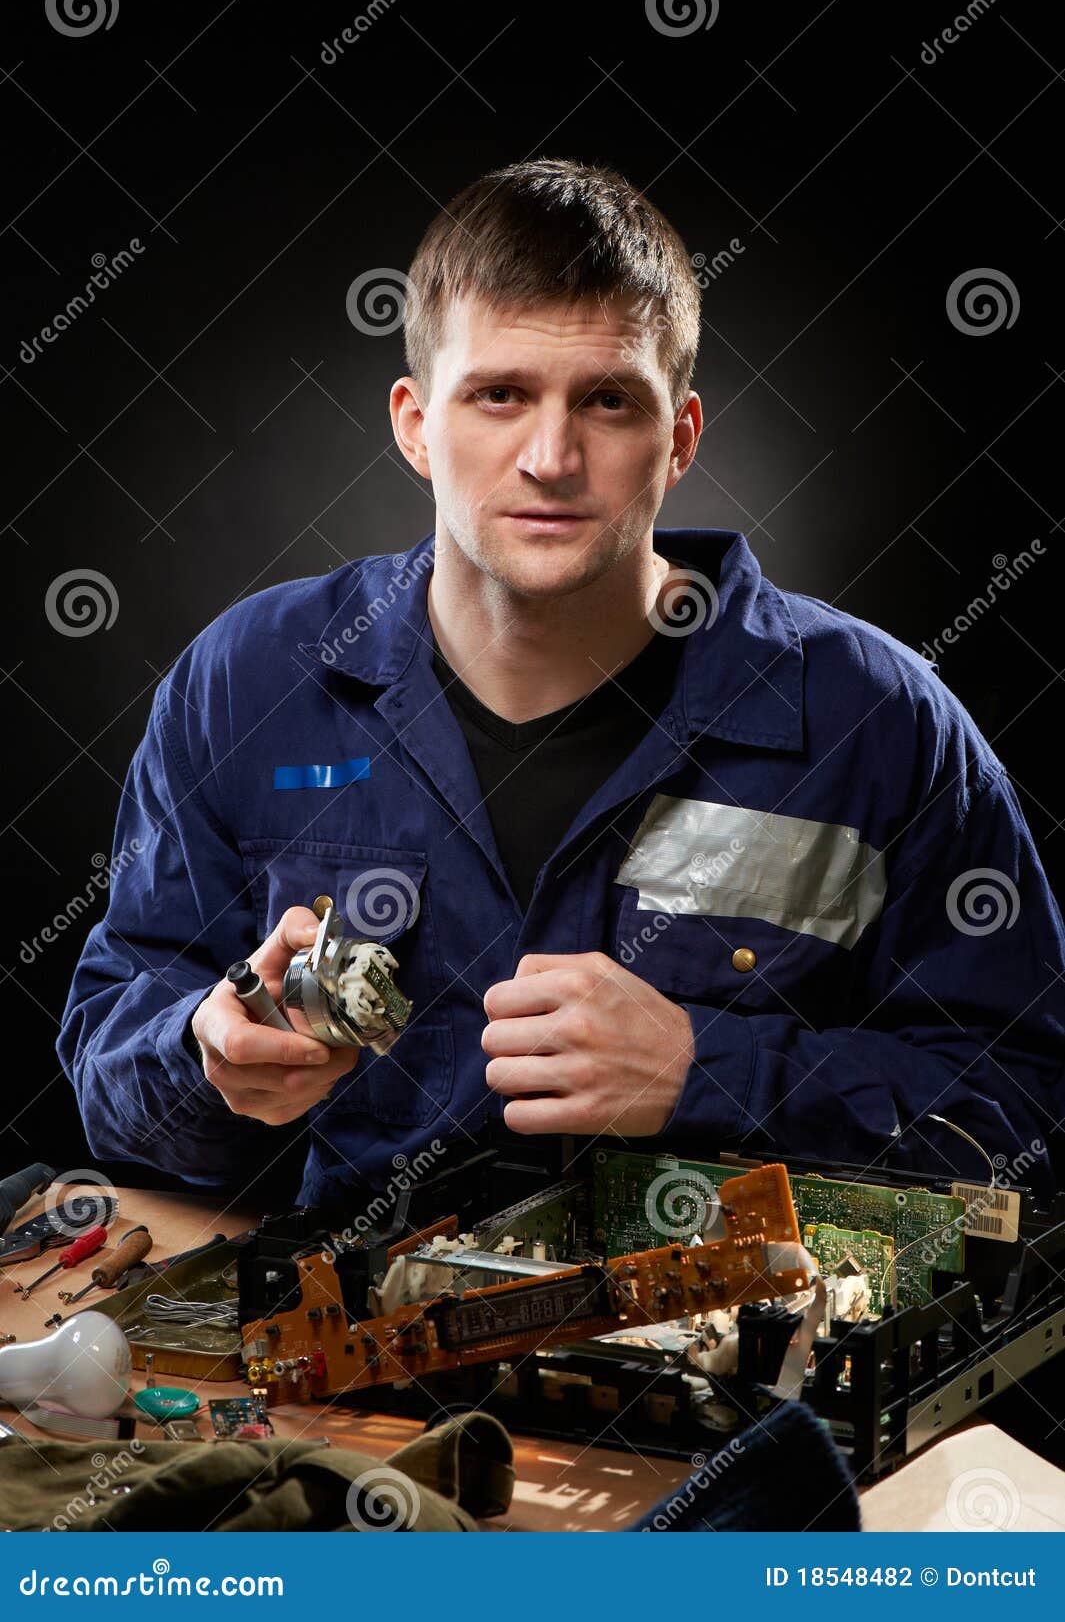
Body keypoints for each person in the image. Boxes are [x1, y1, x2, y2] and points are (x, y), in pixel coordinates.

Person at [58, 159, 1065, 1209]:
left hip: (735, 1355)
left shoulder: (876, 723)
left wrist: (704, 1070)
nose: (551, 456)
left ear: (677, 438)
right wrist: (203, 1050)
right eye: (499, 394)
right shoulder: (248, 684)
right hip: (346, 1357)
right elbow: (113, 1047)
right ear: (413, 424)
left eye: (608, 401)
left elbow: (1027, 1107)